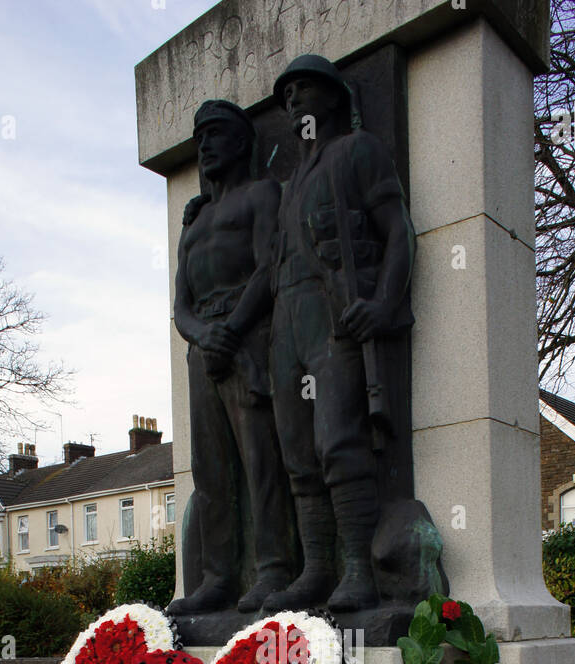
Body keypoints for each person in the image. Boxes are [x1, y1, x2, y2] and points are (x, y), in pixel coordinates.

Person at [264, 55, 416, 613]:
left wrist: (382, 303)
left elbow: (398, 230)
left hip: (336, 314)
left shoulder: (359, 150)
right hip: (287, 321)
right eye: (287, 95)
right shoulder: (288, 182)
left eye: (304, 89)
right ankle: (318, 568)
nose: (293, 100)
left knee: (338, 442)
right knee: (298, 453)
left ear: (332, 96)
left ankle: (358, 568)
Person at [169, 100, 295, 616]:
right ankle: (218, 577)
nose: (204, 147)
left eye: (215, 135)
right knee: (210, 468)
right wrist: (204, 335)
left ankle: (274, 569)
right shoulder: (194, 222)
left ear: (242, 141)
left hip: (249, 335)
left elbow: (269, 268)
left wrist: (232, 331)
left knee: (262, 460)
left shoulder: (263, 194)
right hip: (204, 349)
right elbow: (180, 303)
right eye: (199, 138)